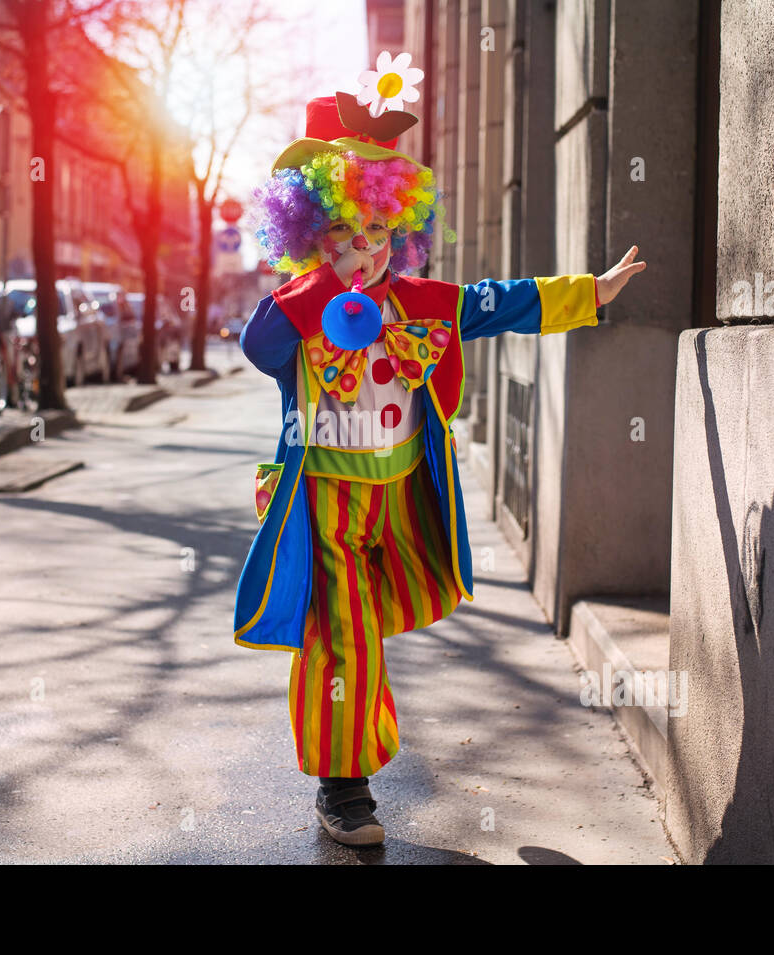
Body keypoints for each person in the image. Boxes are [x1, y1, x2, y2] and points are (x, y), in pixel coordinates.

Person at [234, 61, 645, 847]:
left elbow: (501, 302)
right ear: (310, 239)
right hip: (322, 502)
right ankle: (345, 784)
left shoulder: (421, 304)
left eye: (378, 234)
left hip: (400, 499)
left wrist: (589, 291)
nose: (366, 252)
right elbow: (261, 343)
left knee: (365, 631)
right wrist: (326, 284)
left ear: (401, 231)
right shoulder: (297, 305)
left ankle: (351, 759)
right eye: (345, 237)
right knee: (342, 632)